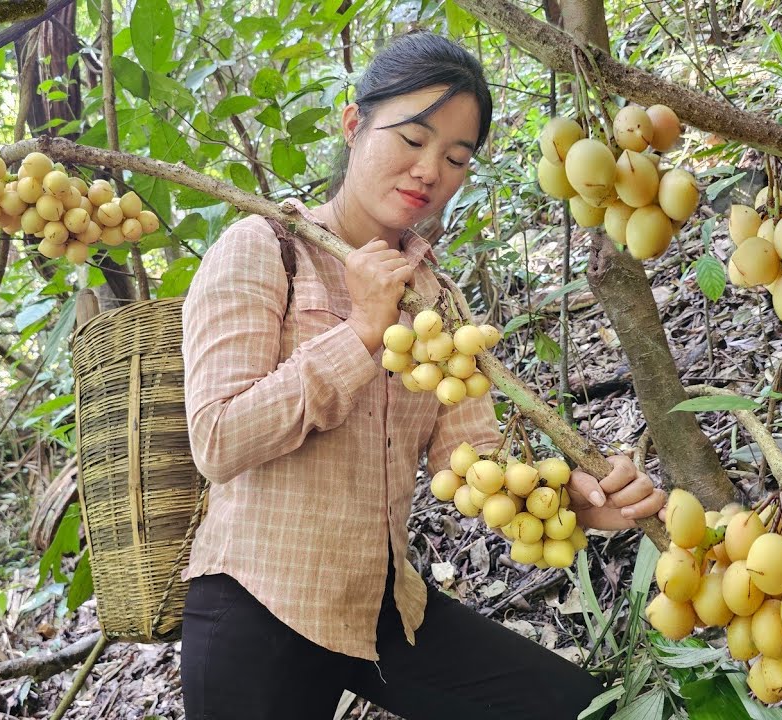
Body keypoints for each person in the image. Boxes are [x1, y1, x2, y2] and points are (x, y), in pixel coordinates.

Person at [178, 31, 666, 720]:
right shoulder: (263, 248)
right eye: (411, 138)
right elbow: (218, 440)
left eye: (456, 156)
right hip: (257, 603)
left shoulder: (437, 300)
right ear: (355, 124)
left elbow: (474, 466)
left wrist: (575, 499)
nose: (429, 170)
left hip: (382, 604)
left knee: (575, 709)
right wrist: (360, 335)